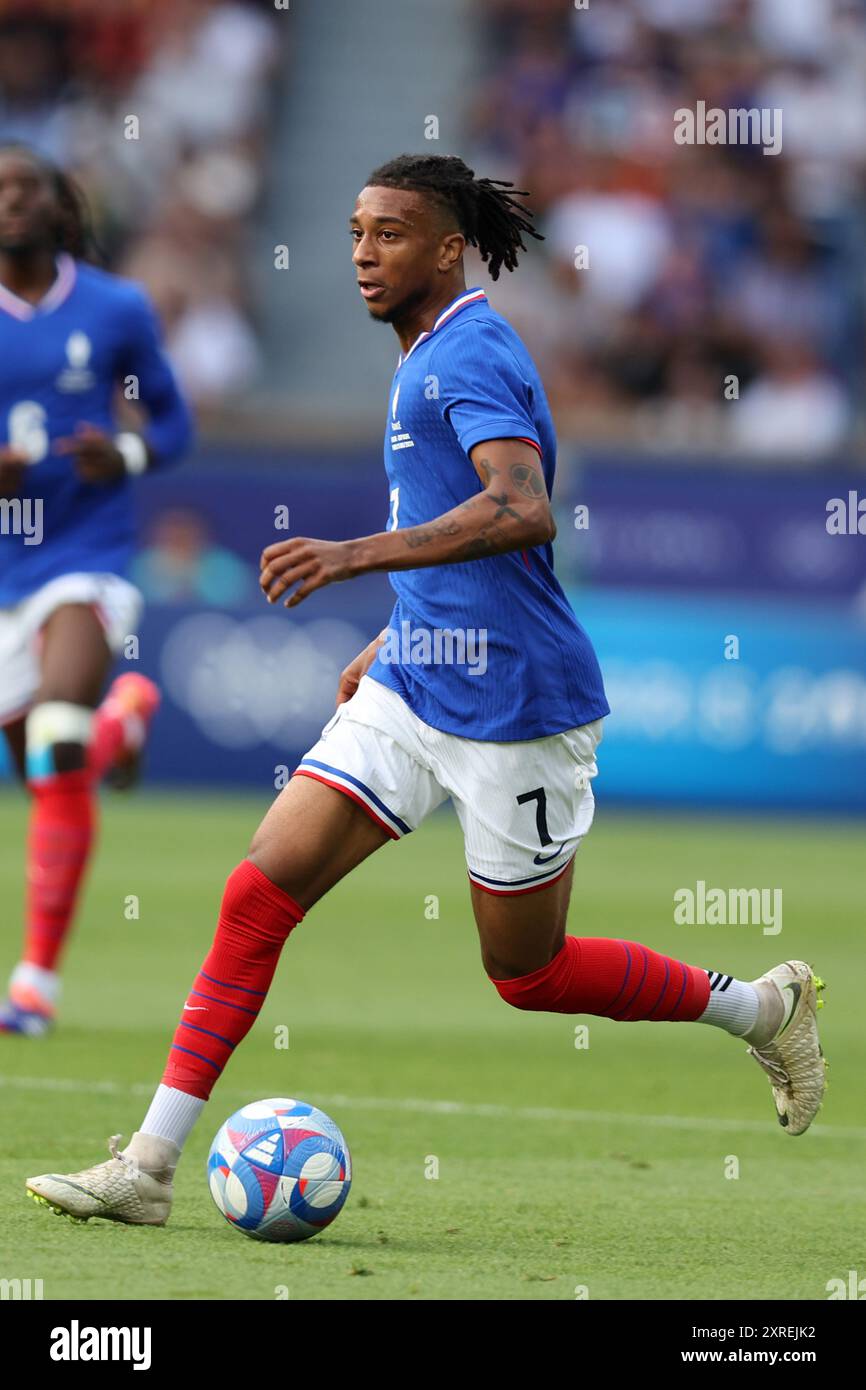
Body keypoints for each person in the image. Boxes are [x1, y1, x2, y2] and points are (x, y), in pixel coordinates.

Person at [25, 154, 824, 1225]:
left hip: (518, 710)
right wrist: (403, 629)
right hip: (415, 681)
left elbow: (521, 507)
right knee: (257, 892)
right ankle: (149, 1167)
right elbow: (466, 536)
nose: (363, 252)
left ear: (447, 249)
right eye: (357, 230)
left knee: (527, 974)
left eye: (390, 233)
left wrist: (357, 558)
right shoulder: (423, 354)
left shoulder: (468, 356)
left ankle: (760, 1008)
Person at [0, 144, 193, 1036]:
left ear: (59, 208)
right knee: (49, 770)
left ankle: (34, 981)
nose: (8, 202)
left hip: (84, 551)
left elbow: (174, 421)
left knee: (55, 735)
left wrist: (123, 453)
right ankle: (126, 722)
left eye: (23, 189)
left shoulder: (116, 307)